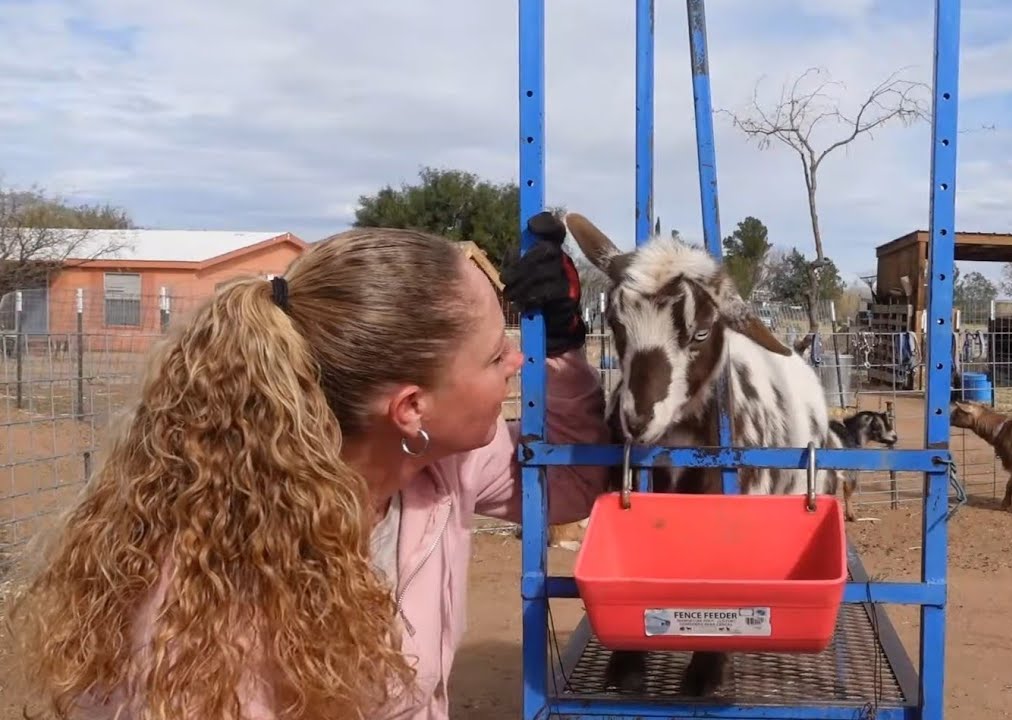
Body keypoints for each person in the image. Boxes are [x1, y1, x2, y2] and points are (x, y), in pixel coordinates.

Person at [7, 213, 610, 720]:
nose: (516, 358)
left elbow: (570, 482)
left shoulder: (436, 468)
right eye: (494, 354)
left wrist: (561, 347)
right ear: (410, 408)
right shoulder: (203, 599)